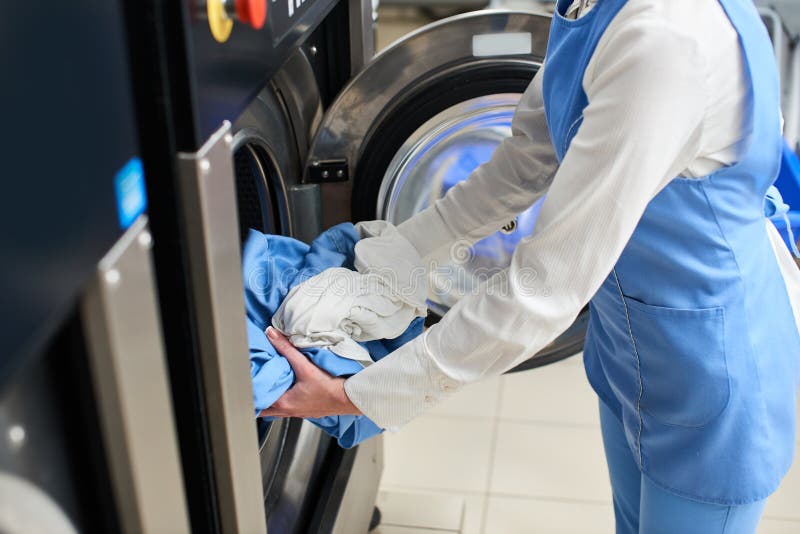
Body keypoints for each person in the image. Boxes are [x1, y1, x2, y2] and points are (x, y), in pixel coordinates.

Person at [262, 0, 800, 531]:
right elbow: (522, 166)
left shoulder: (663, 38)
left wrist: (361, 396)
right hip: (632, 347)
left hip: (710, 369)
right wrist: (383, 262)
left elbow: (546, 287)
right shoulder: (592, 8)